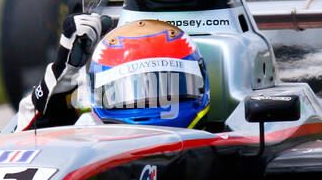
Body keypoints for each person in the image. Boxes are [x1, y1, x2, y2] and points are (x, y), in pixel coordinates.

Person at [16, 16, 210, 131]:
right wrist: (63, 72)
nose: (149, 104)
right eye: (128, 90)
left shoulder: (224, 152)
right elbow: (25, 148)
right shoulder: (90, 143)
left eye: (168, 88)